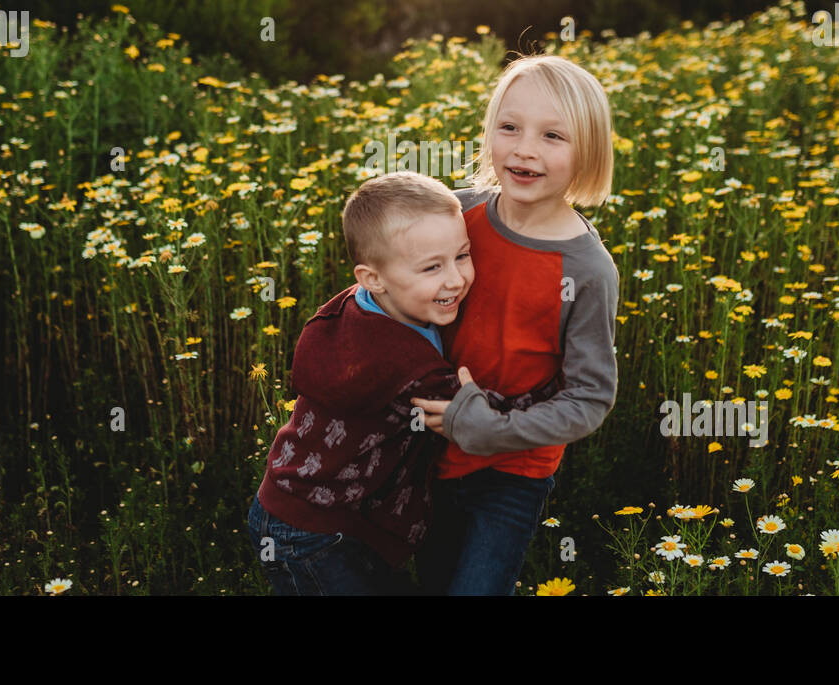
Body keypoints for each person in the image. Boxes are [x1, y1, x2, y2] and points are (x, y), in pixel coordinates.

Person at [411, 53, 620, 595]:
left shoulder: (587, 270)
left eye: (553, 135)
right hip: (427, 449)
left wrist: (493, 431)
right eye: (510, 127)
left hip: (512, 469)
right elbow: (391, 282)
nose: (525, 149)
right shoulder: (455, 217)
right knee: (430, 579)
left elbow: (591, 398)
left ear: (588, 152)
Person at [246, 170, 472, 594]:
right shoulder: (403, 365)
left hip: (303, 509)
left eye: (463, 255)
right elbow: (474, 414)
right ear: (373, 277)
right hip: (312, 533)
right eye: (432, 267)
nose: (455, 279)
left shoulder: (360, 304)